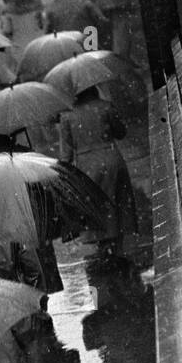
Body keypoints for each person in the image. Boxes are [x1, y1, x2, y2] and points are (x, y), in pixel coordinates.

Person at [57, 85, 133, 254]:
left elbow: (66, 155)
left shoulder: (67, 116)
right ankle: (118, 252)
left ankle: (106, 254)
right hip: (112, 160)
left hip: (87, 168)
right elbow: (121, 132)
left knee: (98, 215)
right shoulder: (106, 106)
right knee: (118, 210)